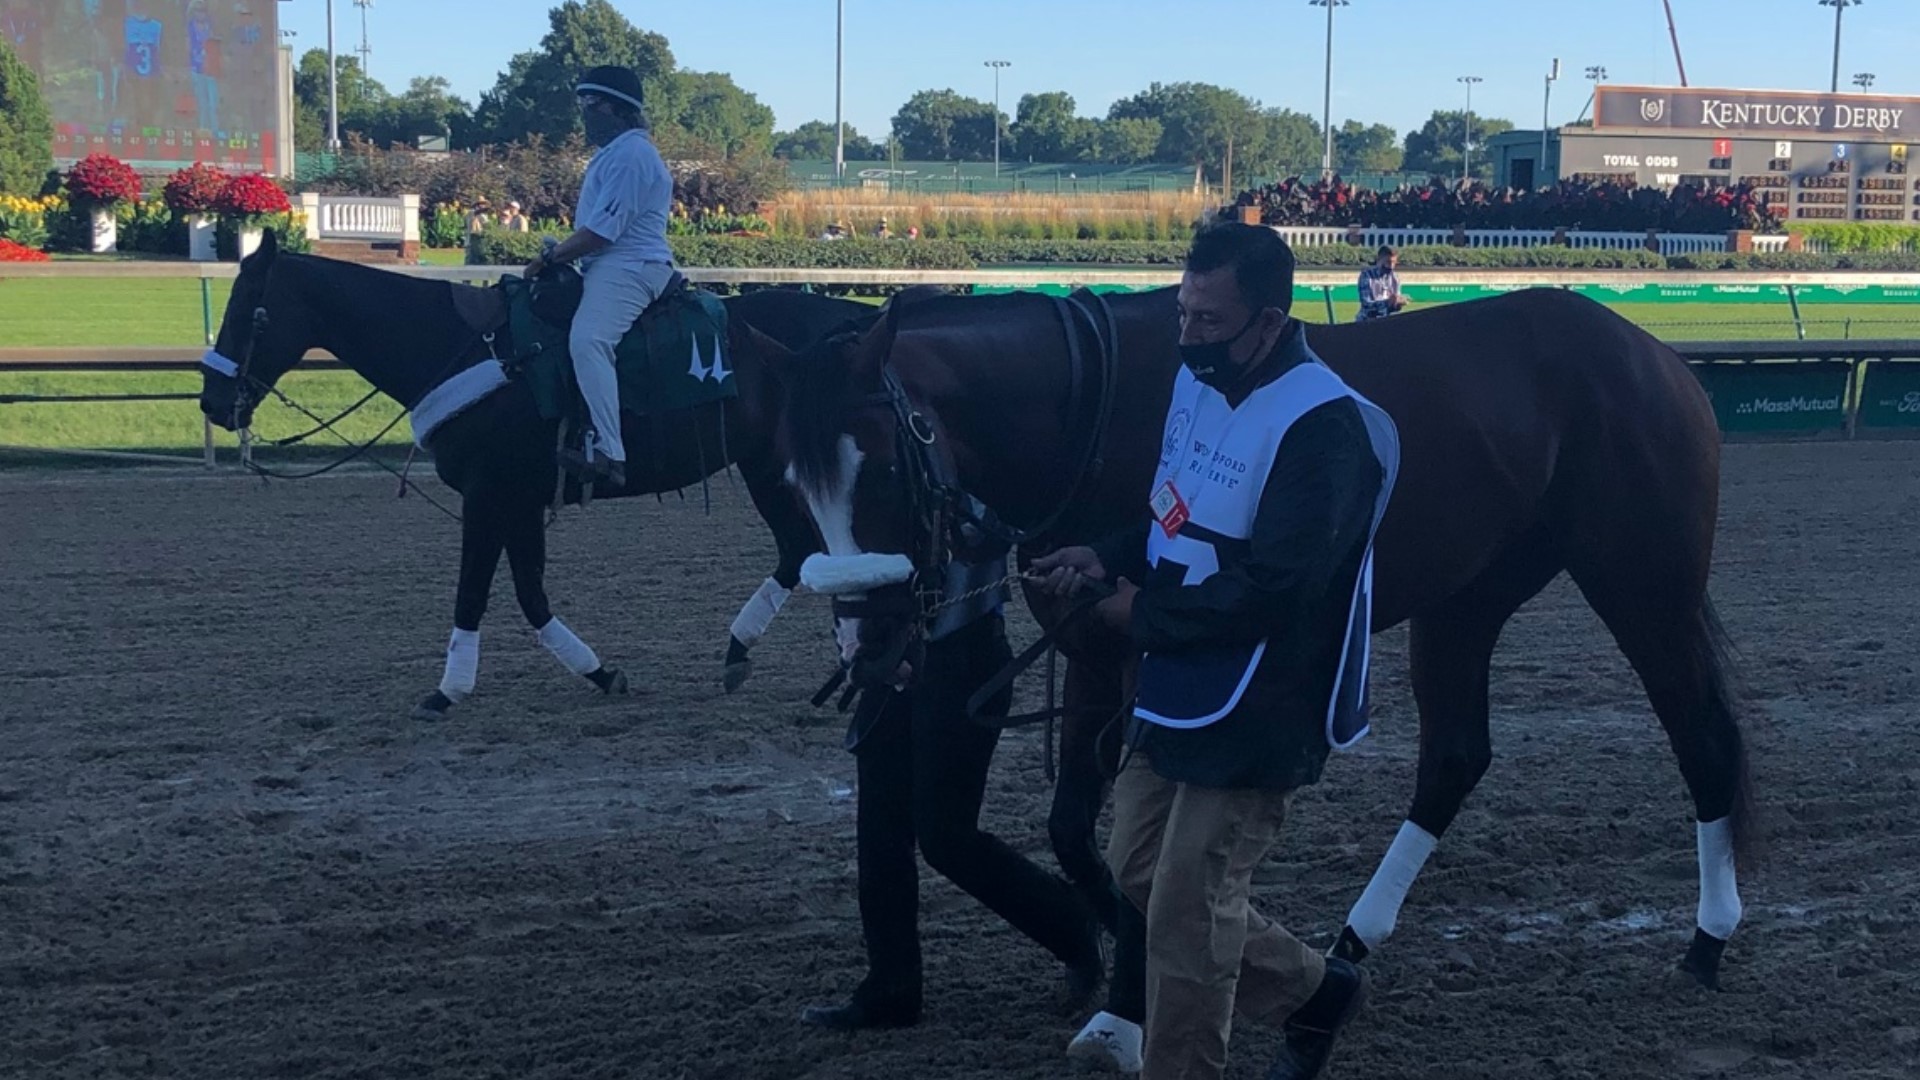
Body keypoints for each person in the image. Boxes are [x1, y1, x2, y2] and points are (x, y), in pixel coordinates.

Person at [1033, 222, 1399, 1080]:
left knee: (1189, 908)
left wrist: (1134, 615)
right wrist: (1110, 556)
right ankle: (1317, 993)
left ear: (1268, 323)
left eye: (1208, 322)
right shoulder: (1199, 379)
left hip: (1264, 700)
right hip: (1180, 679)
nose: (1188, 337)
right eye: (1183, 314)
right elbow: (1177, 511)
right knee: (1138, 870)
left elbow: (1277, 590)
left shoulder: (1325, 427)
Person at [801, 498, 1106, 1033]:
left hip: (963, 653)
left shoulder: (962, 430)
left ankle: (1071, 924)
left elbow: (1001, 530)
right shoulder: (886, 441)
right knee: (880, 825)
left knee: (946, 836)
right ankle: (891, 988)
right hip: (888, 646)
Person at [521, 65, 676, 489]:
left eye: (591, 104)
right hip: (611, 264)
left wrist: (551, 258)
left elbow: (602, 232)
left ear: (617, 108)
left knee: (589, 341)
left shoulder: (632, 156)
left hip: (630, 267)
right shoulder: (615, 153)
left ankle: (610, 449)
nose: (585, 113)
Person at [1355, 245, 1405, 322]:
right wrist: (1387, 303)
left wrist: (1398, 302)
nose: (1391, 266)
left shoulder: (1395, 278)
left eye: (1394, 263)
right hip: (1366, 322)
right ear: (1378, 260)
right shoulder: (1367, 275)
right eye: (1388, 262)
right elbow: (1366, 304)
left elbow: (1393, 306)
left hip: (1387, 321)